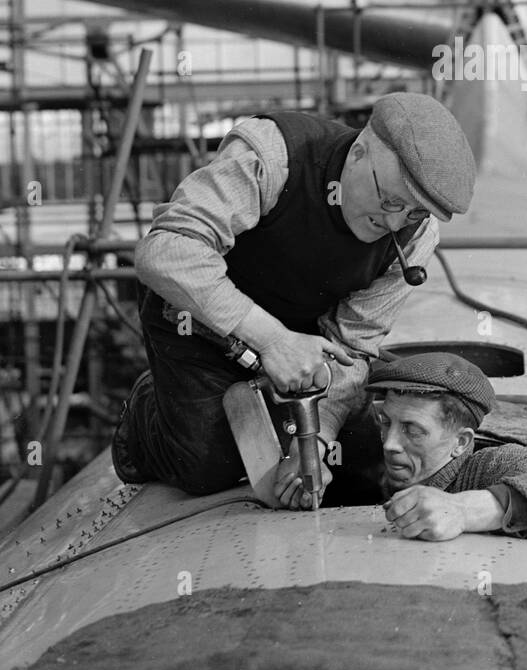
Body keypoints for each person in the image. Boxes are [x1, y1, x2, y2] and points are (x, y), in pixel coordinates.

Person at [111, 93, 476, 499]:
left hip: (302, 345)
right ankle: (143, 418)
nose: (392, 221)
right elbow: (165, 251)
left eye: (412, 212)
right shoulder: (271, 154)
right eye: (389, 199)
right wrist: (272, 340)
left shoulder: (415, 239)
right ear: (359, 153)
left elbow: (353, 346)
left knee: (359, 452)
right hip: (197, 325)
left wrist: (315, 445)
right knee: (208, 465)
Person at [285, 351, 527, 539]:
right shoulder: (357, 450)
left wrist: (464, 510)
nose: (389, 444)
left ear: (461, 443)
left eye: (412, 430)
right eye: (386, 421)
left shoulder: (487, 467)